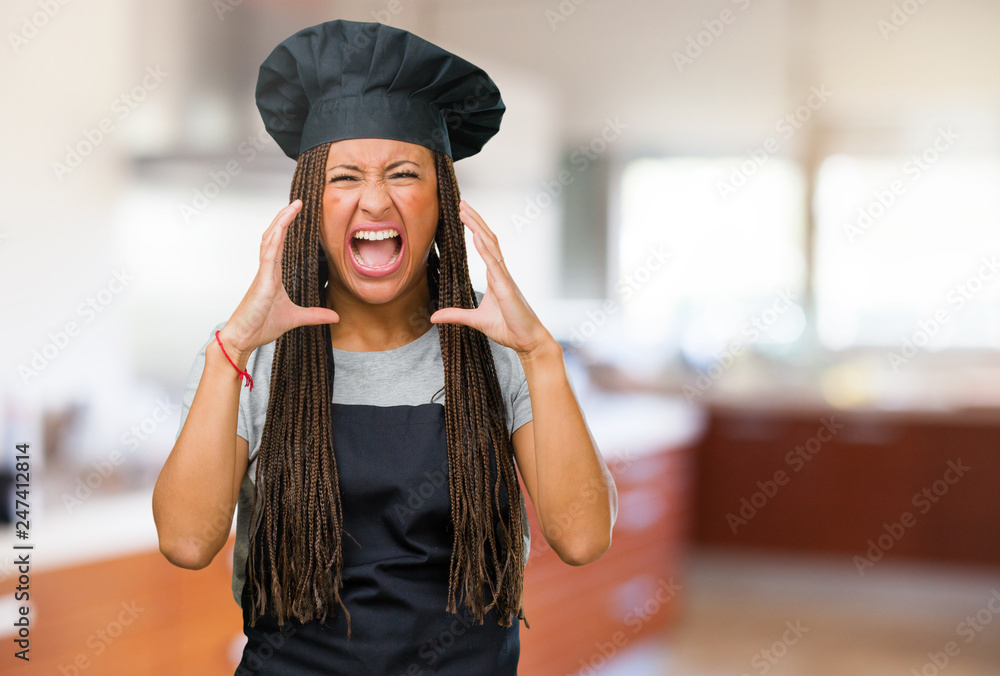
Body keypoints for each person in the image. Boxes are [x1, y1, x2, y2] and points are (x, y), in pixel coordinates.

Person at [152, 19, 617, 675]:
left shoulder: (502, 353)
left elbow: (583, 537)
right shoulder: (253, 354)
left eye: (403, 173)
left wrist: (543, 355)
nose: (374, 199)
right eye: (344, 178)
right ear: (311, 201)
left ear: (441, 199)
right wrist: (228, 348)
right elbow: (186, 542)